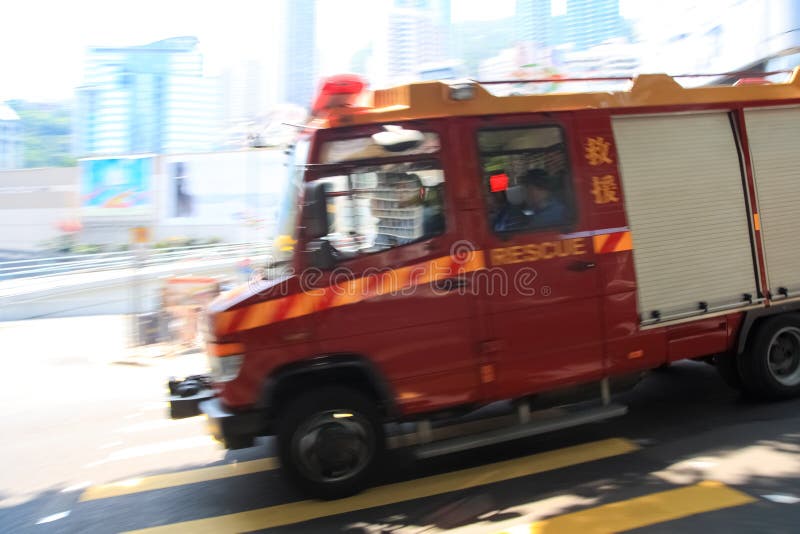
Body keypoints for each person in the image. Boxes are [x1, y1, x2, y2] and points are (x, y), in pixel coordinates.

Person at [493, 168, 567, 231]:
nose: (524, 193)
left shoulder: (545, 218)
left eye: (526, 188)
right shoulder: (548, 208)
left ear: (536, 189)